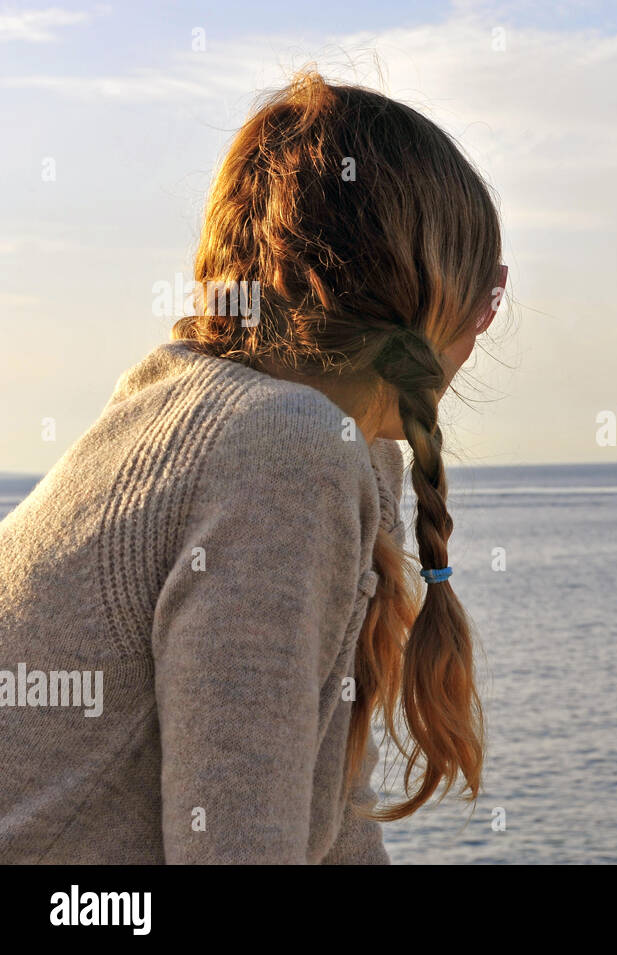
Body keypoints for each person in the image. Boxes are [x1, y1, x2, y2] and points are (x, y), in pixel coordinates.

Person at [0, 70, 505, 863]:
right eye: (489, 293)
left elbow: (336, 825)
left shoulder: (293, 437)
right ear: (434, 294)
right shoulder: (278, 452)